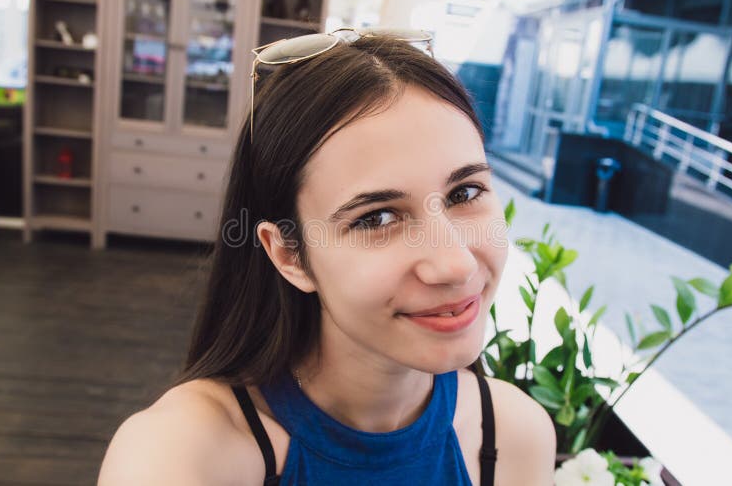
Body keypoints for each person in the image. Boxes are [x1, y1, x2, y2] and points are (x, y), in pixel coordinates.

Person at [97, 30, 556, 485]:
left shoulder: (514, 436)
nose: (456, 264)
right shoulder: (182, 455)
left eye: (466, 191)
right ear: (289, 256)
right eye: (377, 219)